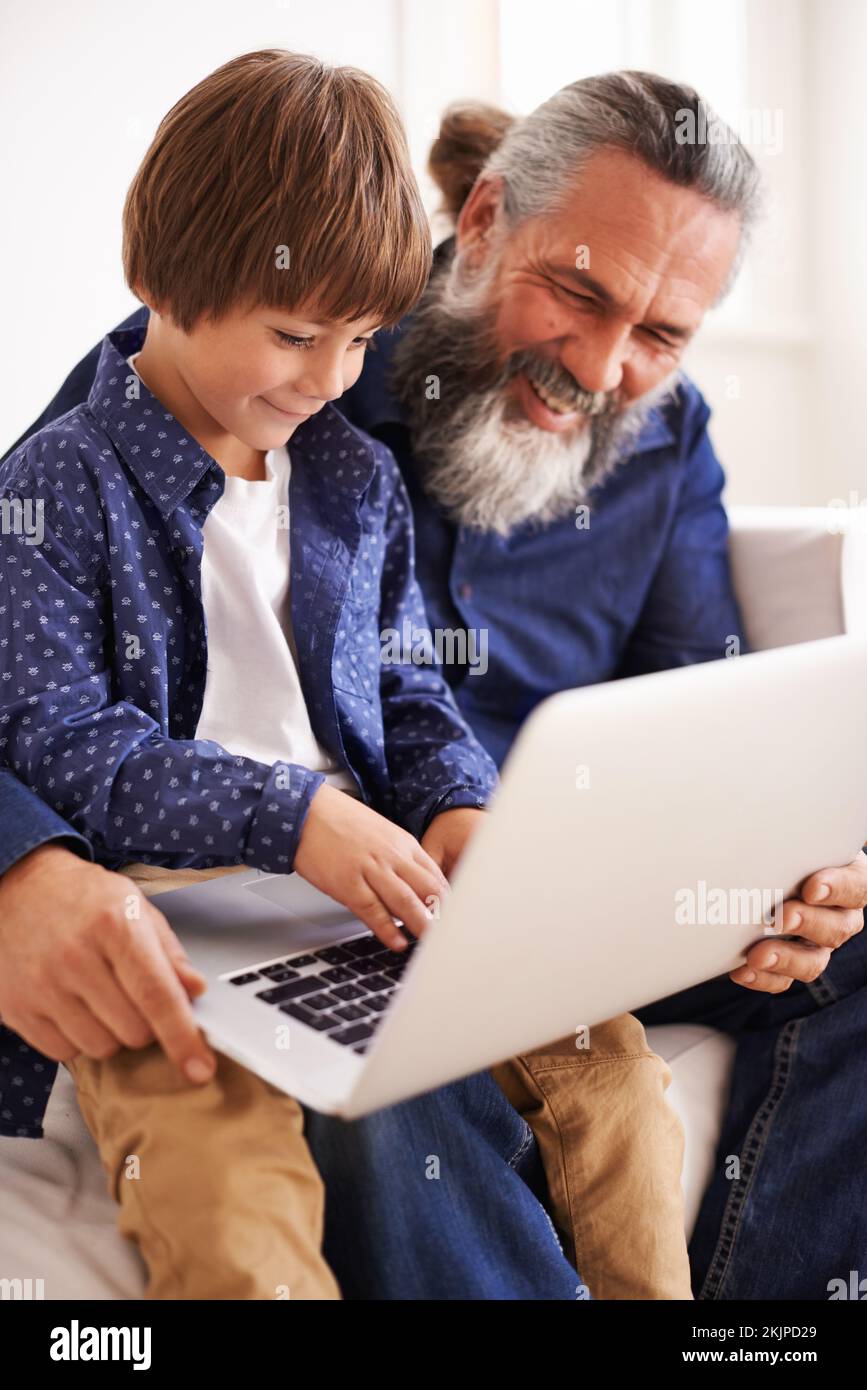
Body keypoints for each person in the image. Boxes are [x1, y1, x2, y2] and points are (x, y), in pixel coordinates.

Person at [4, 69, 866, 1303]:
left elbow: (691, 712)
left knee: (791, 977)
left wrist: (786, 871)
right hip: (296, 883)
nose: (606, 364)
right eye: (578, 292)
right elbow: (35, 692)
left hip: (539, 887)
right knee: (383, 1072)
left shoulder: (643, 445)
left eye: (663, 333)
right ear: (482, 224)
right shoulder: (231, 377)